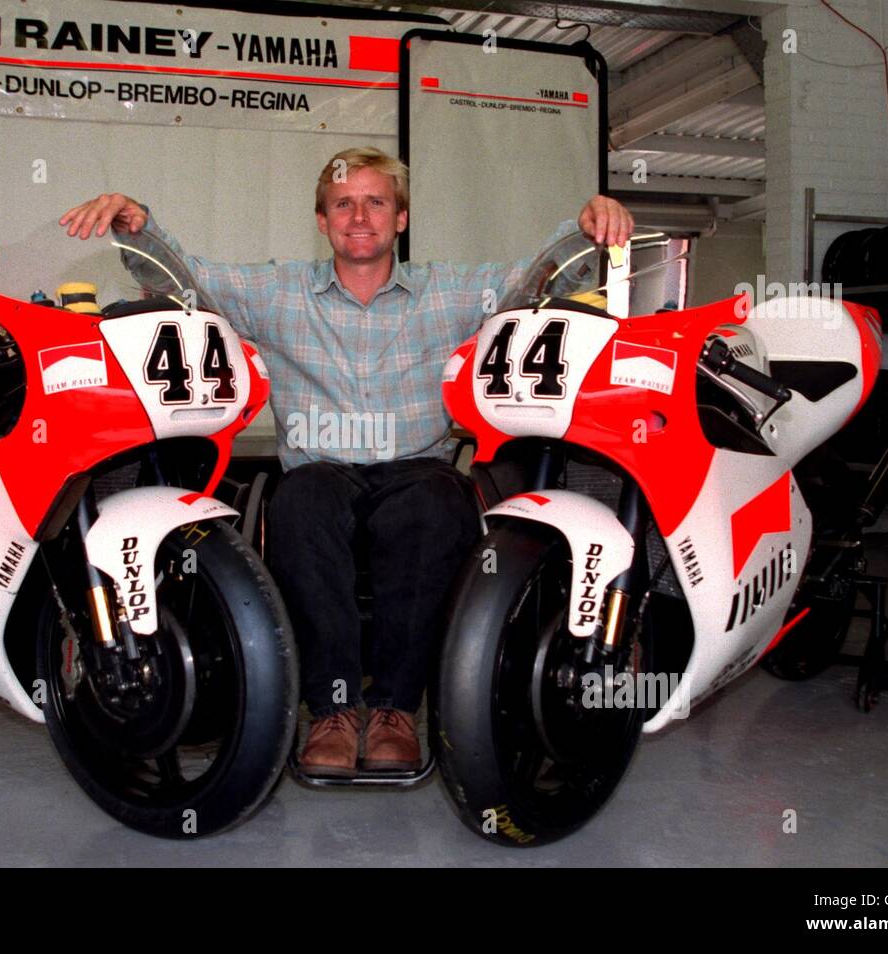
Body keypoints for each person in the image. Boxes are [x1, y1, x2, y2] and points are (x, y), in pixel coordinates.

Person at [61, 147, 633, 778]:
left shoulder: (455, 291)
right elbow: (186, 281)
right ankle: (334, 711)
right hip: (319, 474)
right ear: (322, 219)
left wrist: (585, 228)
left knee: (439, 499)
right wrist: (135, 223)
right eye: (343, 203)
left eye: (376, 201)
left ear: (402, 217)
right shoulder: (276, 292)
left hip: (418, 470)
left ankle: (392, 712)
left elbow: (540, 282)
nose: (360, 216)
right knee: (300, 497)